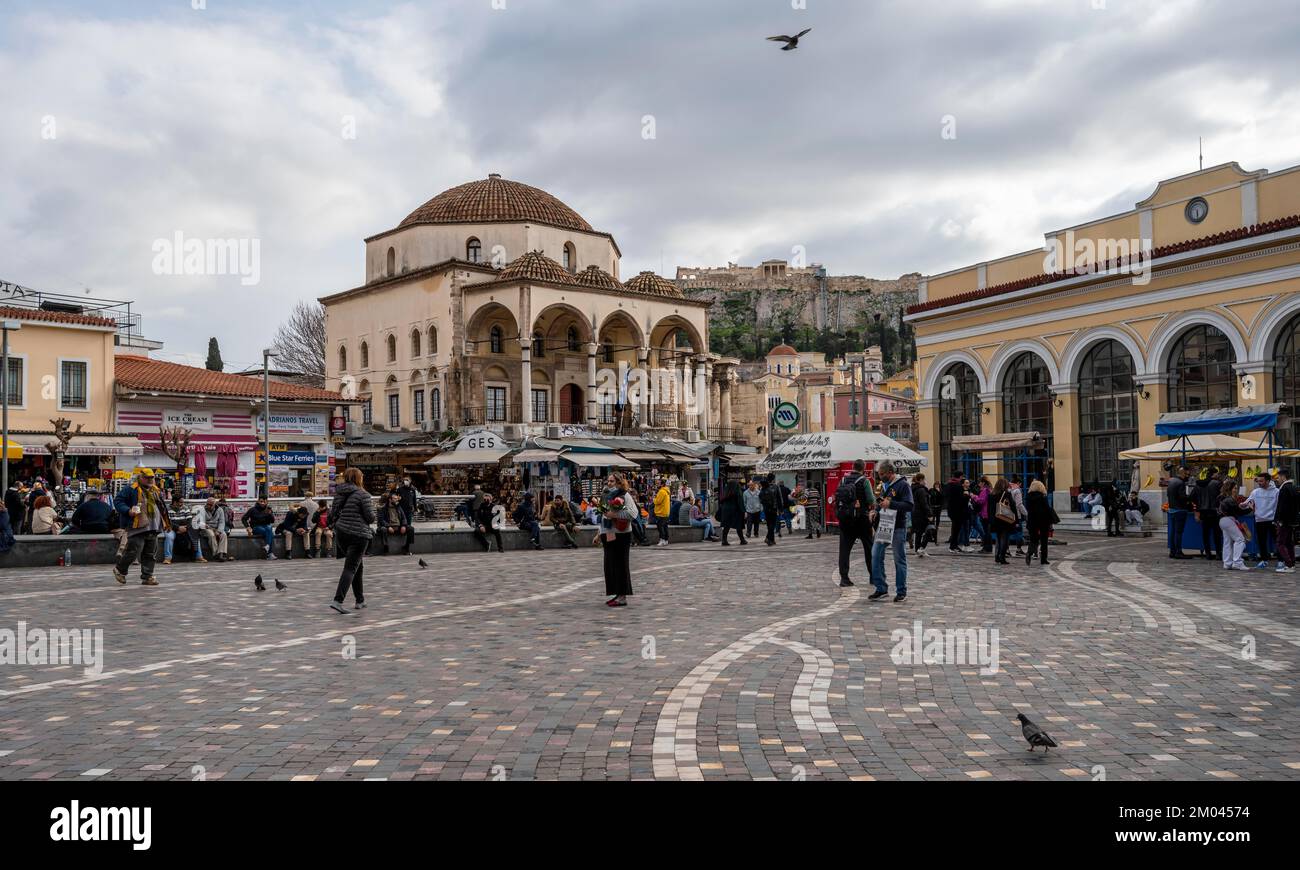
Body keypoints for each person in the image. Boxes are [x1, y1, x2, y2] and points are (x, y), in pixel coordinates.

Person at [112, 469, 170, 586]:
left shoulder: (156, 490)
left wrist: (167, 522)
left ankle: (147, 576)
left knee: (150, 553)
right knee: (132, 551)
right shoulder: (131, 489)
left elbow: (161, 506)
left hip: (153, 526)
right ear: (141, 478)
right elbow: (118, 501)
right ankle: (120, 570)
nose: (150, 480)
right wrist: (128, 511)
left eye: (152, 478)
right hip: (137, 525)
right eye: (147, 478)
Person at [329, 467, 375, 613]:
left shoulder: (339, 493)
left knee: (357, 566)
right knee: (350, 568)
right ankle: (338, 600)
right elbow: (370, 517)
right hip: (358, 534)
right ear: (358, 478)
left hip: (341, 533)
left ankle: (360, 600)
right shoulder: (363, 494)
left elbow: (332, 514)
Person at [868, 460, 911, 603]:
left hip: (898, 526)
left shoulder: (903, 485)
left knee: (899, 559)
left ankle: (901, 591)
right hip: (884, 525)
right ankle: (881, 588)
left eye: (882, 474)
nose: (880, 477)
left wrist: (891, 504)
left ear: (890, 472)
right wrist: (876, 510)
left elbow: (909, 505)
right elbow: (882, 502)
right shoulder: (884, 486)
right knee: (875, 555)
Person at [834, 459, 875, 587]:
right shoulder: (865, 481)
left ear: (852, 467)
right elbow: (871, 500)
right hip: (862, 519)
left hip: (846, 519)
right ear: (863, 468)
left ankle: (844, 578)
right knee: (869, 548)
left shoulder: (842, 480)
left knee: (844, 549)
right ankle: (873, 576)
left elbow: (837, 497)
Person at [597, 476, 636, 607]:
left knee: (620, 565)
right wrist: (598, 534)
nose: (609, 483)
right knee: (611, 566)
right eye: (608, 481)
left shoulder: (624, 495)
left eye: (612, 481)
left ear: (619, 483)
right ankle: (617, 594)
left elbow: (633, 513)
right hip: (609, 533)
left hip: (621, 534)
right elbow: (603, 515)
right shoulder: (606, 495)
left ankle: (622, 596)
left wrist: (615, 515)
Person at [1244, 471, 1278, 568]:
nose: (1259, 483)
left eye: (1261, 481)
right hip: (1259, 520)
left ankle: (1281, 560)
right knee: (1261, 541)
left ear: (1268, 481)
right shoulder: (1255, 492)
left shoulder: (1276, 491)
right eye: (1258, 481)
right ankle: (1264, 560)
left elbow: (1279, 506)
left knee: (1277, 541)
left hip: (1272, 520)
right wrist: (1243, 505)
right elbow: (1248, 502)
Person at [1218, 479, 1252, 571]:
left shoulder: (1224, 498)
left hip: (1223, 521)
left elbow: (1236, 509)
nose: (1236, 490)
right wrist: (1250, 509)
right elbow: (1239, 512)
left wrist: (1240, 507)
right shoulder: (1229, 499)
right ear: (1230, 488)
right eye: (1234, 488)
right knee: (1240, 540)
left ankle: (1227, 563)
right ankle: (1237, 562)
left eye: (1236, 488)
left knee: (1227, 542)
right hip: (1229, 520)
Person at [1024, 479, 1058, 566]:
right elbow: (1047, 508)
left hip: (1032, 520)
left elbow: (1028, 509)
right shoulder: (1042, 497)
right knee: (1044, 540)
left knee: (1033, 539)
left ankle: (1029, 553)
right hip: (1043, 520)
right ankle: (1044, 559)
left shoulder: (1028, 497)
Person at [1192, 466, 1222, 560]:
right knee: (1216, 533)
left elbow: (1192, 497)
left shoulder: (1198, 484)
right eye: (1217, 473)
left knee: (1206, 533)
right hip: (1214, 512)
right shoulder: (1217, 483)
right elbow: (1222, 497)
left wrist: (1197, 510)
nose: (1218, 475)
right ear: (1213, 474)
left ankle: (1208, 553)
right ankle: (1218, 553)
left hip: (1203, 512)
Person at [1165, 466, 1192, 559]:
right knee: (1178, 532)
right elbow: (1182, 497)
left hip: (1172, 509)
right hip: (1180, 510)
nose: (1188, 476)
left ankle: (1172, 551)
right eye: (1187, 474)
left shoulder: (1171, 481)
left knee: (1173, 532)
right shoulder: (1181, 483)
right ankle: (1178, 551)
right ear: (1183, 473)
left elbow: (1168, 494)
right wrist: (1190, 498)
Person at [1274, 468, 1297, 574]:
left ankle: (1289, 564)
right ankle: (1292, 563)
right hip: (1291, 520)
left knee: (1280, 543)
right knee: (1289, 543)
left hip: (1284, 520)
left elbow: (1282, 506)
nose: (1277, 479)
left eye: (1278, 477)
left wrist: (1279, 520)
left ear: (1283, 477)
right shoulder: (1292, 487)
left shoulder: (1284, 488)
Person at [989, 479, 1016, 565]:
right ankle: (1002, 557)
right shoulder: (1007, 494)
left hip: (995, 519)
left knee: (998, 538)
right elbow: (1013, 506)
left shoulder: (991, 495)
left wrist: (991, 519)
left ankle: (997, 556)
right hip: (1005, 519)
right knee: (1004, 539)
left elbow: (989, 509)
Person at [942, 470, 968, 553]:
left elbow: (945, 496)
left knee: (954, 528)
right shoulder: (958, 485)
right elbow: (961, 499)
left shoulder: (948, 484)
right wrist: (967, 496)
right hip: (958, 510)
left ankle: (953, 545)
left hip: (951, 509)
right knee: (956, 529)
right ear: (960, 477)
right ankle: (953, 546)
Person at [201, 496, 233, 562]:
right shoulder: (202, 510)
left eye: (210, 505)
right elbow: (201, 522)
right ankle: (216, 554)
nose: (208, 506)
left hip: (216, 528)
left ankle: (221, 553)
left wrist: (219, 531)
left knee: (223, 534)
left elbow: (222, 522)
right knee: (211, 535)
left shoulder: (220, 510)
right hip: (206, 528)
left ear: (214, 505)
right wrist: (207, 526)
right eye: (207, 504)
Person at [717, 477, 747, 545]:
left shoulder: (726, 492)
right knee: (738, 526)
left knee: (726, 526)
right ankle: (742, 540)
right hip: (736, 511)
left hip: (725, 511)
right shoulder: (737, 491)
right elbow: (740, 502)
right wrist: (743, 511)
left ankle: (724, 540)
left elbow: (721, 502)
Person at [909, 473, 930, 556]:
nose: (925, 481)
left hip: (915, 513)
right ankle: (921, 548)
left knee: (918, 533)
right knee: (930, 530)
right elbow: (924, 503)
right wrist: (929, 514)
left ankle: (917, 550)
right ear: (921, 480)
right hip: (922, 514)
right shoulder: (921, 490)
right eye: (924, 479)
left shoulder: (912, 488)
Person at [760, 473, 784, 546]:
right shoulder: (776, 487)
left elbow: (760, 497)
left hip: (766, 508)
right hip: (773, 508)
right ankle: (768, 539)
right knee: (772, 525)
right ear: (773, 479)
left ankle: (772, 540)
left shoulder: (764, 487)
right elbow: (779, 498)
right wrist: (781, 508)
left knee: (769, 524)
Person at [653, 479, 671, 547]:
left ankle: (662, 540)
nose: (657, 485)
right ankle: (666, 540)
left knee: (660, 527)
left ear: (662, 484)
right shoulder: (666, 491)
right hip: (666, 511)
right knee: (665, 526)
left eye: (658, 484)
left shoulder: (661, 492)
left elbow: (657, 501)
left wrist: (654, 499)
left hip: (661, 512)